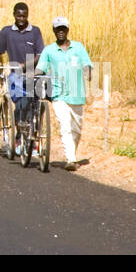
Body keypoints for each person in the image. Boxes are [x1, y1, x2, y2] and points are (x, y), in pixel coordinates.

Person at [0, 2, 45, 156]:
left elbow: (40, 54)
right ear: (14, 15)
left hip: (33, 74)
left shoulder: (35, 32)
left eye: (24, 16)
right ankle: (19, 137)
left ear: (28, 15)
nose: (21, 18)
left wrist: (25, 66)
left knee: (36, 107)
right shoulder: (7, 32)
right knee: (21, 106)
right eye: (19, 15)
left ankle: (34, 141)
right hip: (15, 76)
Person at [36, 15, 94, 171]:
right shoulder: (49, 50)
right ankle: (71, 159)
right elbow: (41, 67)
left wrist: (88, 72)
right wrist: (35, 74)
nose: (60, 32)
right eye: (57, 29)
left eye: (63, 29)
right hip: (58, 94)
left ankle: (72, 154)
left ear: (67, 30)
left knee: (77, 129)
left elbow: (87, 63)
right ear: (54, 31)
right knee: (65, 125)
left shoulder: (78, 48)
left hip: (77, 94)